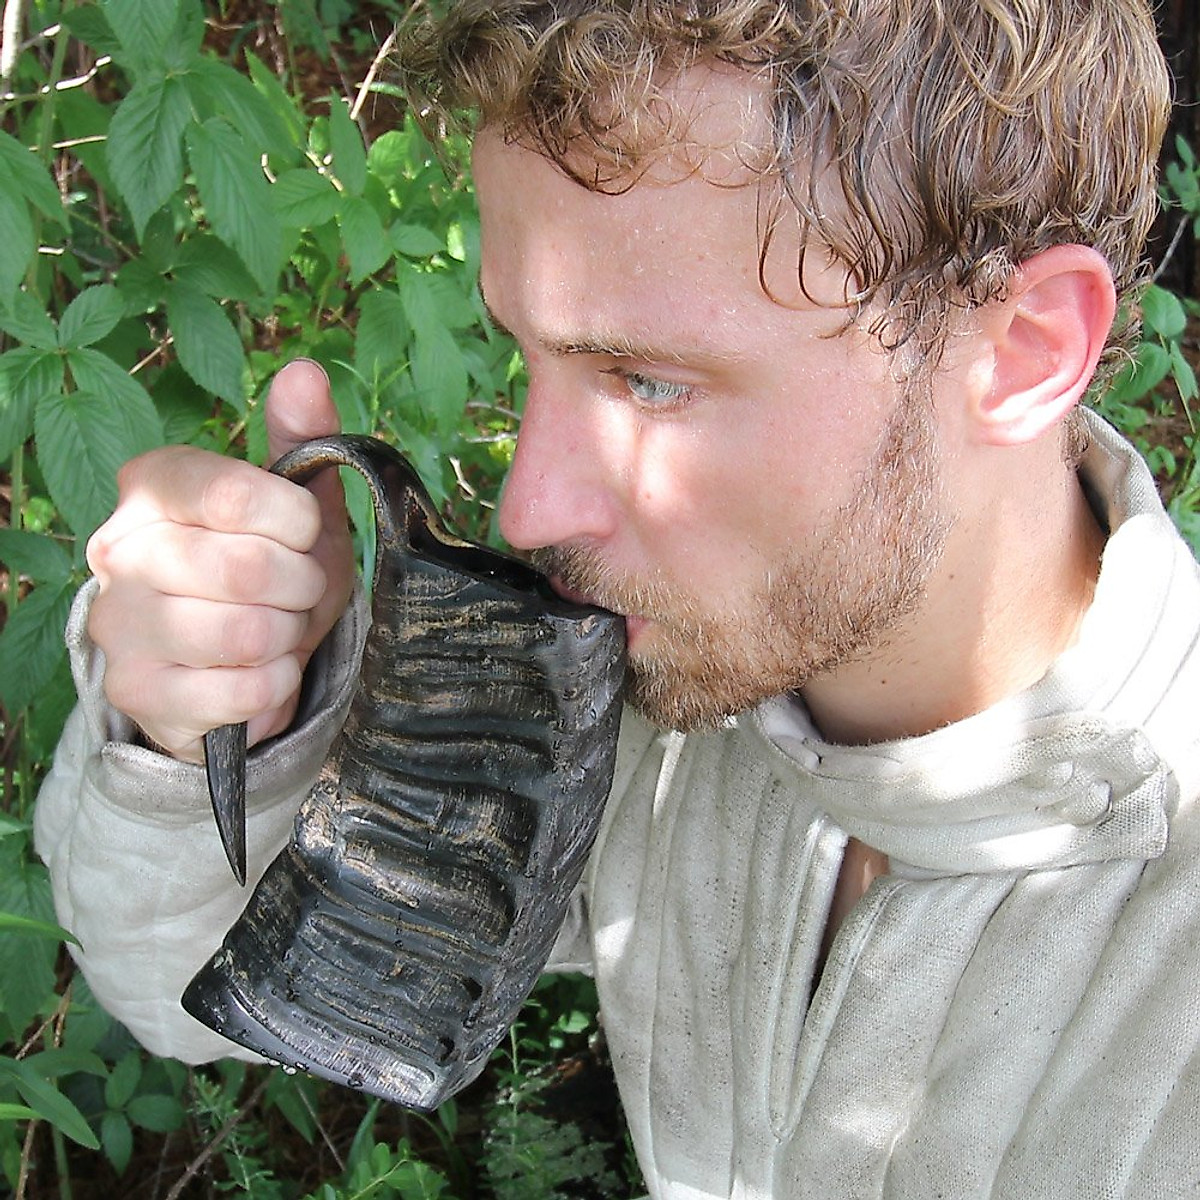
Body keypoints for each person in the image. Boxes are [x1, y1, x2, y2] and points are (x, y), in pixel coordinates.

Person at [34, 1, 1200, 1195]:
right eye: (525, 356)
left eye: (649, 381)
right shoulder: (650, 686)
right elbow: (204, 997)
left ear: (1019, 351)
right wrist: (215, 728)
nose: (529, 509)